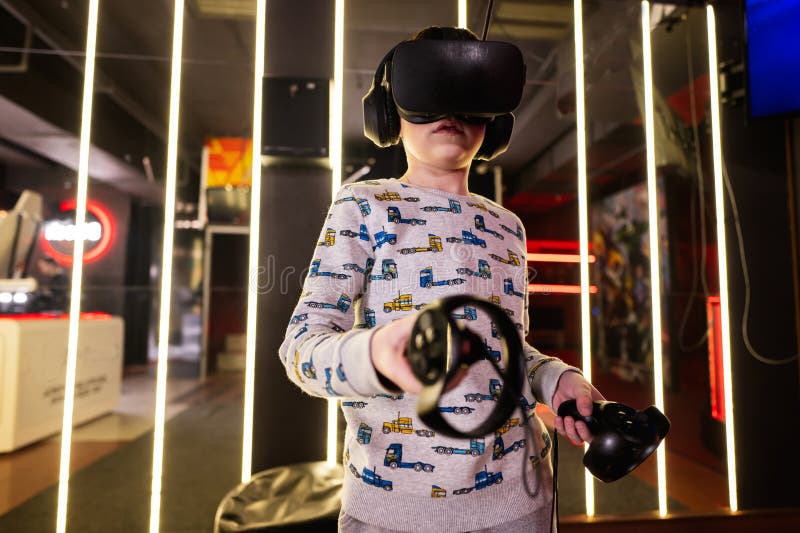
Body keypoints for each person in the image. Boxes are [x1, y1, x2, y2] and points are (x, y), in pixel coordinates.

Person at [278, 26, 604, 533]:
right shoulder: (362, 206)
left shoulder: (508, 227)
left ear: (494, 123)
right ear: (389, 114)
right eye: (427, 92)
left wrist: (556, 378)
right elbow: (300, 347)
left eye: (470, 97)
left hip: (520, 500)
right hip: (392, 506)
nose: (449, 110)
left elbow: (508, 347)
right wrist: (373, 355)